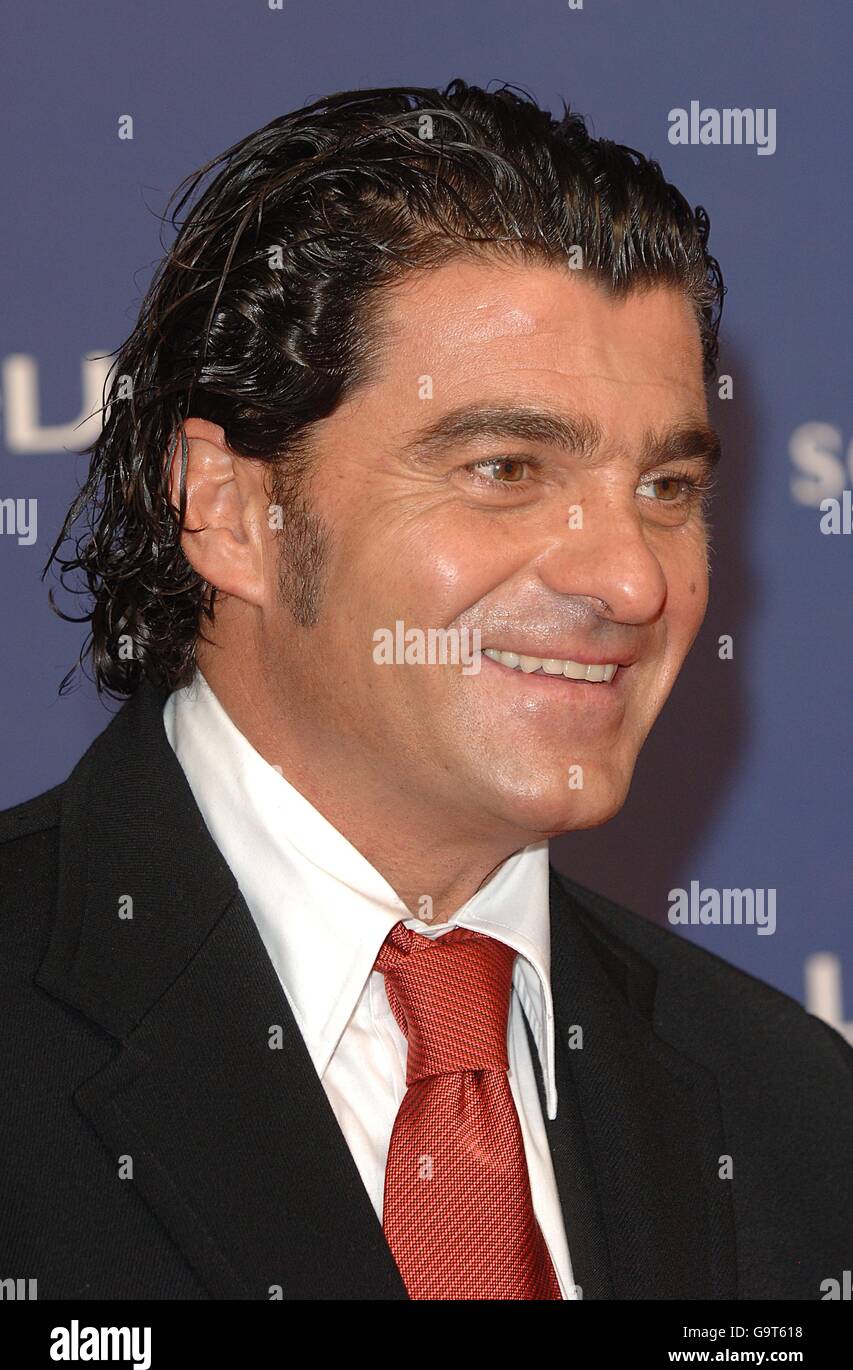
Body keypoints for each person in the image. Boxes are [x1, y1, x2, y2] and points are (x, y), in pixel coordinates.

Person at [1, 80, 851, 1301]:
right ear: (231, 510)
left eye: (665, 489)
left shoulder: (793, 1111)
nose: (629, 579)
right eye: (505, 468)